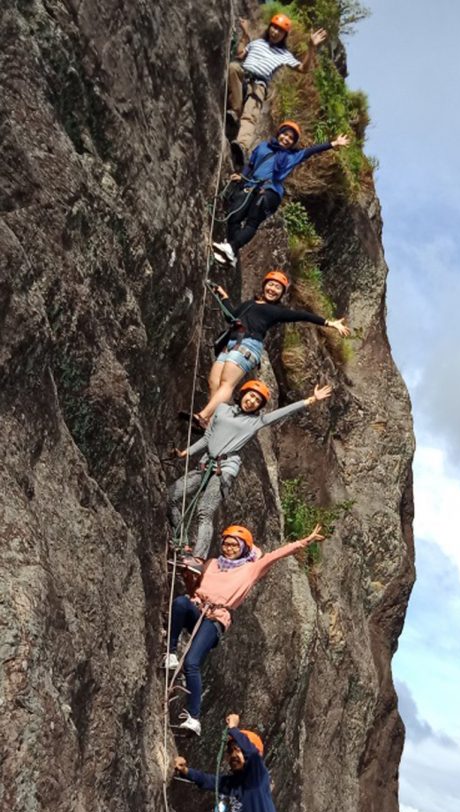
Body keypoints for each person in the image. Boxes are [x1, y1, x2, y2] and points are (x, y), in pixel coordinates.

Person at [168, 522, 324, 735]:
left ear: (244, 547)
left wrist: (304, 542)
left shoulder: (250, 569)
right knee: (180, 603)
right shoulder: (212, 563)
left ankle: (194, 718)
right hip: (199, 609)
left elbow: (275, 556)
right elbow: (196, 589)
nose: (229, 548)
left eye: (234, 545)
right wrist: (189, 579)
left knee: (192, 662)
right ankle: (170, 653)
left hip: (216, 619)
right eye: (226, 544)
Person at [169, 378, 333, 560]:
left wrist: (312, 399)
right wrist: (186, 453)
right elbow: (208, 438)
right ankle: (182, 543)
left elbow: (282, 413)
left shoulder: (255, 421)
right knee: (172, 497)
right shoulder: (222, 409)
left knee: (205, 511)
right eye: (252, 396)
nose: (253, 401)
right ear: (244, 394)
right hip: (206, 464)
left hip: (225, 469)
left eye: (258, 401)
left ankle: (198, 558)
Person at [189, 271, 348, 428]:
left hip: (248, 345)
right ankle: (210, 422)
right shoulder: (249, 304)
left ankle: (203, 416)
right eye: (270, 284)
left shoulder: (277, 311)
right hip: (231, 344)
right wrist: (224, 297)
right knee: (214, 382)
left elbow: (302, 315)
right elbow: (231, 315)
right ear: (264, 286)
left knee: (226, 384)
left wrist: (329, 323)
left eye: (278, 288)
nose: (273, 289)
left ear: (281, 294)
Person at [212, 121, 349, 267]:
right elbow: (251, 164)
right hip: (252, 185)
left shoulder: (292, 156)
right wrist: (242, 176)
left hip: (270, 191)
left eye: (291, 138)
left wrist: (333, 143)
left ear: (293, 143)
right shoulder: (264, 146)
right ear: (279, 133)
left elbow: (311, 151)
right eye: (285, 134)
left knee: (253, 221)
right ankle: (232, 251)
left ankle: (231, 248)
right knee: (234, 216)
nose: (286, 139)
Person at [227, 12, 328, 156]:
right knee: (233, 67)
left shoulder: (284, 54)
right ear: (269, 28)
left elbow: (303, 69)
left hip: (259, 85)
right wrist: (245, 33)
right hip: (244, 74)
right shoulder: (257, 43)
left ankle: (241, 146)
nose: (275, 32)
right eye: (274, 28)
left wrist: (311, 47)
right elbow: (240, 54)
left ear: (284, 36)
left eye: (280, 31)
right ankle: (235, 111)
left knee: (250, 115)